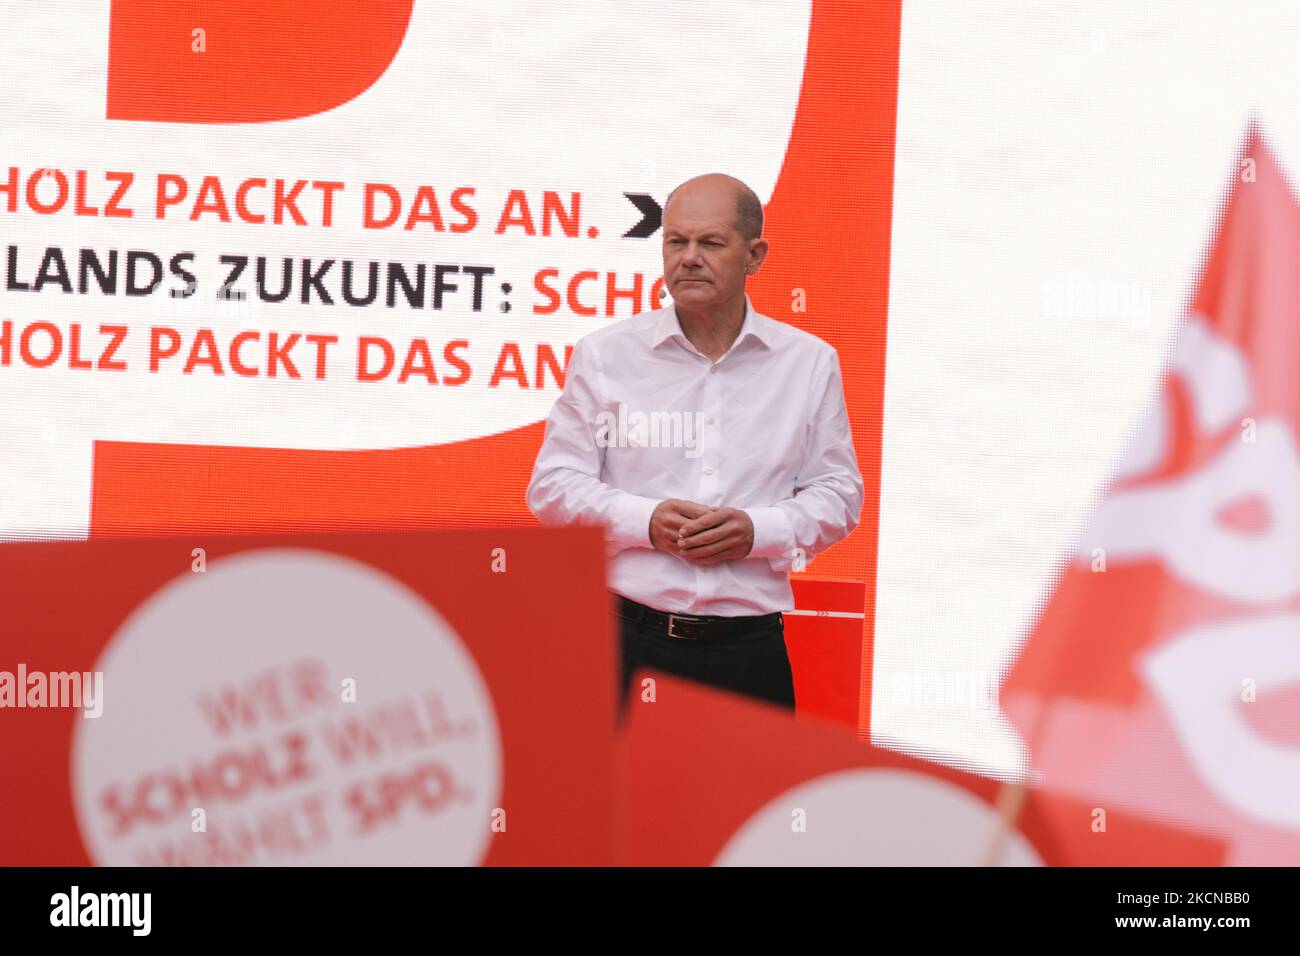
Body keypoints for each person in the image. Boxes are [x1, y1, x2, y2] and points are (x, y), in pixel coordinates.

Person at [526, 172, 863, 715]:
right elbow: (553, 487)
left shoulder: (808, 362)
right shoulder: (606, 354)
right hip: (621, 638)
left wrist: (759, 531)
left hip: (748, 652)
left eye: (709, 243)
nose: (687, 258)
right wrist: (646, 521)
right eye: (675, 242)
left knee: (747, 804)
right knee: (603, 802)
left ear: (755, 256)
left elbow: (839, 493)